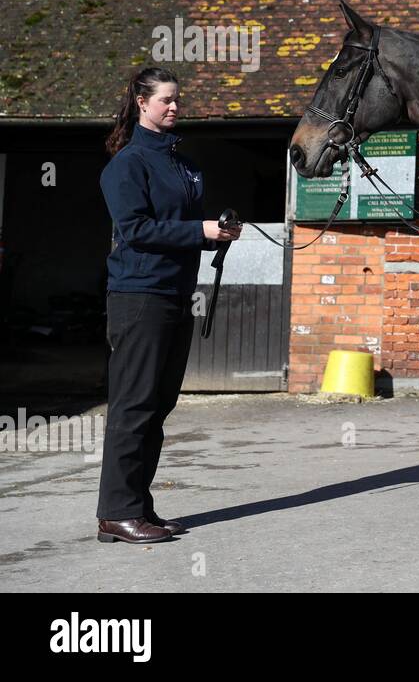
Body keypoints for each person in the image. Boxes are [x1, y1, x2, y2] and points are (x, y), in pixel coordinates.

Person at [96, 66, 241, 543]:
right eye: (166, 100)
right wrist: (199, 231)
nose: (175, 106)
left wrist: (217, 231)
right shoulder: (128, 164)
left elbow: (180, 224)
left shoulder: (182, 162)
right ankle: (116, 512)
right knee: (133, 407)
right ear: (142, 103)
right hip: (139, 297)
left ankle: (139, 505)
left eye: (178, 99)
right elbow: (135, 229)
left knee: (158, 406)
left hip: (176, 293)